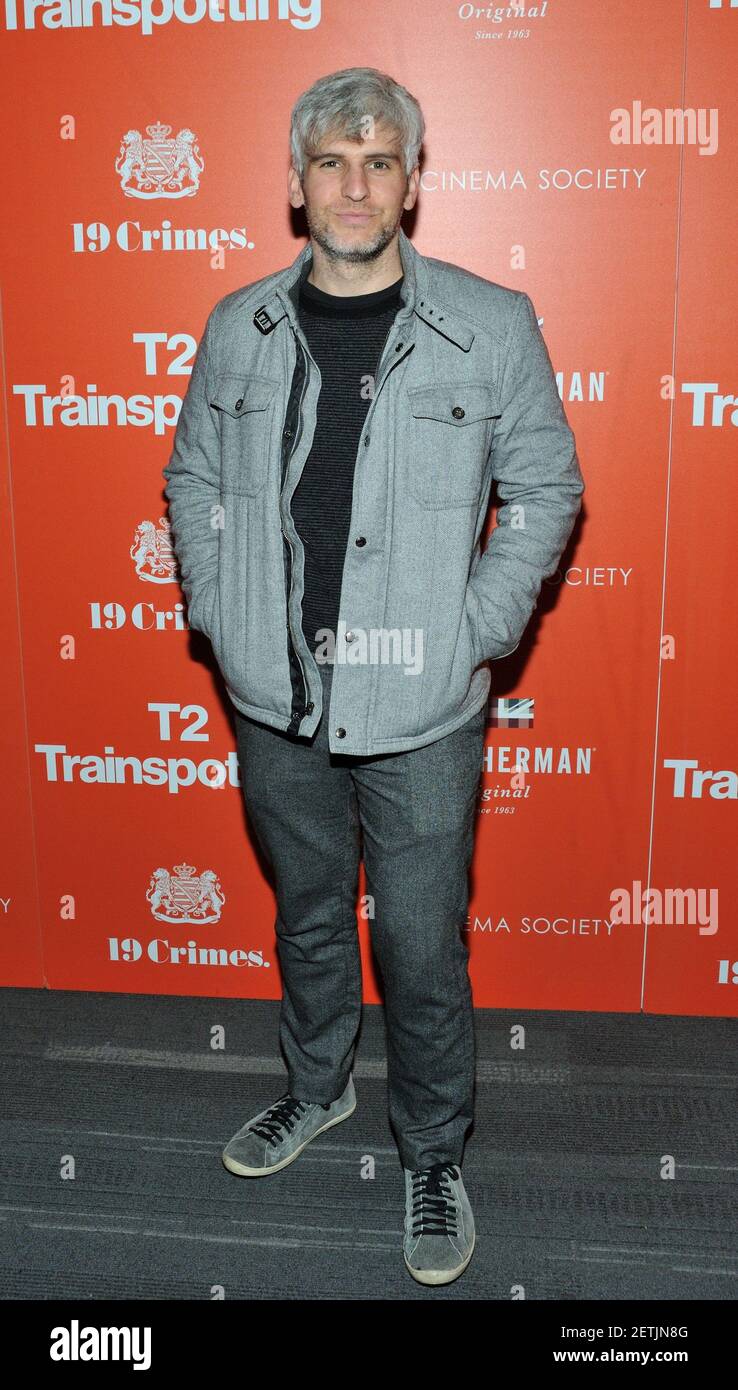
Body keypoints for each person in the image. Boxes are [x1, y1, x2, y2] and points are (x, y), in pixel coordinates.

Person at [163, 66, 584, 1287]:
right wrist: (217, 604)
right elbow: (192, 478)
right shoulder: (235, 323)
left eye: (379, 160)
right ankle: (317, 1090)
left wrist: (476, 628)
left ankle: (434, 1149)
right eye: (333, 162)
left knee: (417, 938)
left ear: (411, 180)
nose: (356, 184)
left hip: (422, 701)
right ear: (297, 186)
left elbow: (548, 488)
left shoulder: (489, 321)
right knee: (305, 914)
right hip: (275, 690)